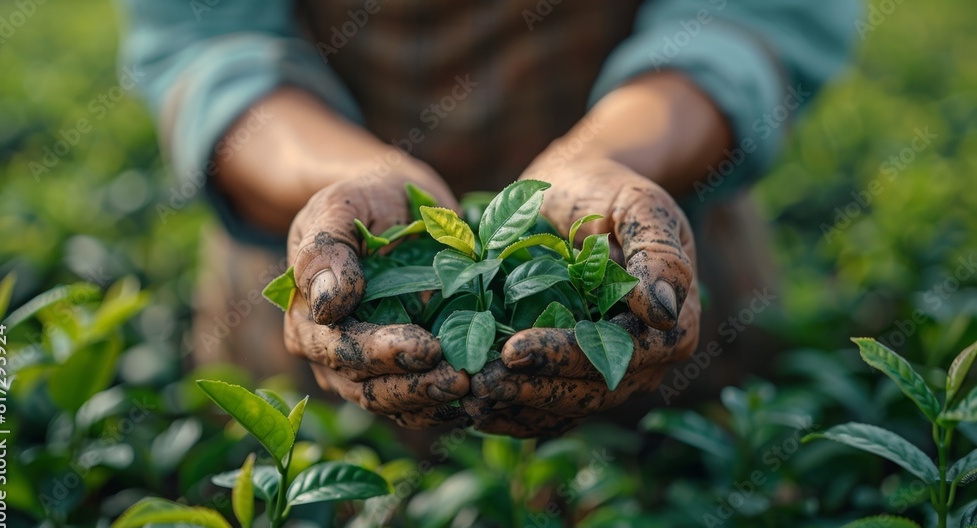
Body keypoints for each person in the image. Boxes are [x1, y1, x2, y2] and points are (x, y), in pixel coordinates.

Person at [118, 0, 858, 438]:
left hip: (649, 259)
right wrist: (350, 183)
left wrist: (604, 161)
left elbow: (747, 14)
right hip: (330, 284)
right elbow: (208, 38)